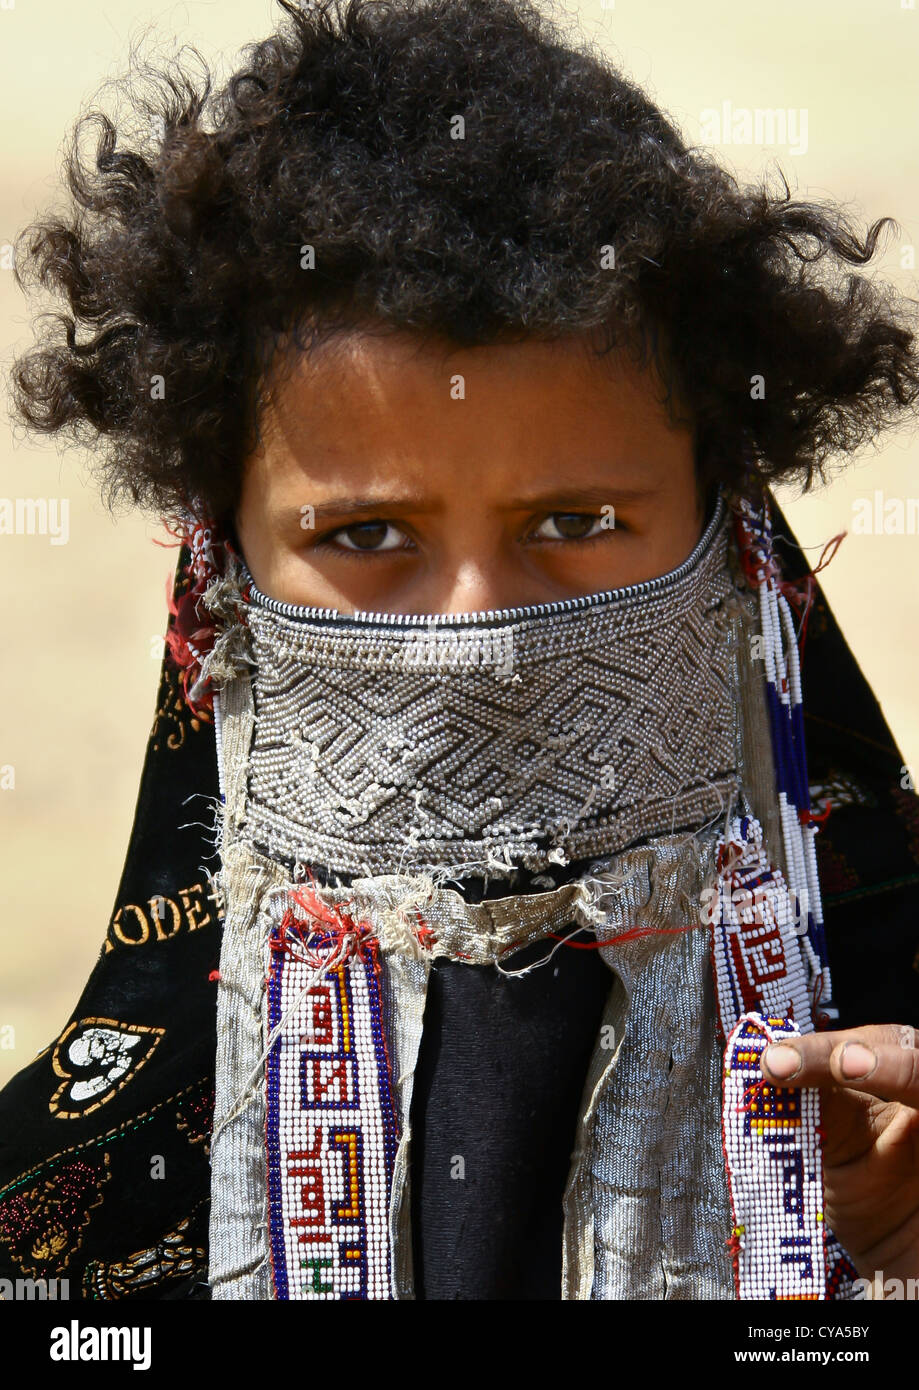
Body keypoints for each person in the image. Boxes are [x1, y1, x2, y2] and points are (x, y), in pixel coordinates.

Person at [1, 0, 917, 1302]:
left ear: (726, 545)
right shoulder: (70, 1249)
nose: (477, 633)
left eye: (577, 521)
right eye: (368, 531)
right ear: (227, 581)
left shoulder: (890, 1127)